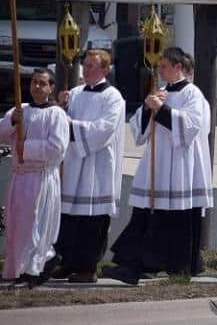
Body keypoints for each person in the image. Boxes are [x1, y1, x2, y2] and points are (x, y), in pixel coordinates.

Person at [106, 47, 213, 285]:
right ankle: (134, 265)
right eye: (159, 66)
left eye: (164, 66)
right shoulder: (160, 92)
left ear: (178, 67)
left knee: (175, 220)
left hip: (181, 167)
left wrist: (161, 109)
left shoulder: (193, 94)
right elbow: (139, 130)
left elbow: (192, 127)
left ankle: (176, 266)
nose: (159, 71)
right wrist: (147, 107)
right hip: (157, 163)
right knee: (146, 216)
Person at [51, 50, 126, 284]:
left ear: (105, 70)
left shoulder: (113, 97)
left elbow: (104, 129)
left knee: (92, 220)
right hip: (73, 163)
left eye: (92, 65)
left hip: (98, 165)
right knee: (69, 217)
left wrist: (69, 125)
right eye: (85, 65)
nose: (85, 69)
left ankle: (87, 267)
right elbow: (60, 121)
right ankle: (67, 263)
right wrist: (60, 107)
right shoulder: (74, 93)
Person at [0, 68, 69, 287]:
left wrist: (26, 148)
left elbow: (57, 148)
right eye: (34, 82)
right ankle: (15, 270)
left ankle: (33, 270)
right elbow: (1, 134)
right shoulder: (20, 110)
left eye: (42, 83)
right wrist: (12, 122)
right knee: (15, 225)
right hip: (19, 177)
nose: (37, 86)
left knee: (34, 226)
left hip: (41, 177)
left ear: (51, 88)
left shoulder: (57, 114)